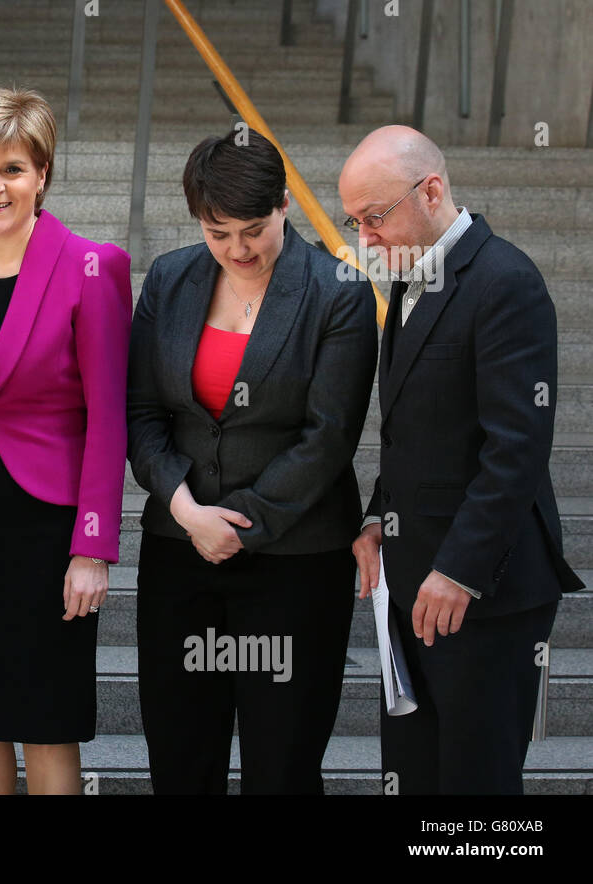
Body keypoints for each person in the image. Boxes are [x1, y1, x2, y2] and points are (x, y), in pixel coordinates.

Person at [127, 128, 376, 794]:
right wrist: (186, 510)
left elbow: (328, 437)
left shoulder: (338, 290)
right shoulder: (172, 278)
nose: (237, 249)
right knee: (181, 758)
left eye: (252, 229)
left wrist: (234, 526)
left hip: (295, 560)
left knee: (283, 762)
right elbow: (144, 414)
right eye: (218, 232)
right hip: (179, 552)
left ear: (285, 204)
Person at [340, 125, 584, 795]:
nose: (365, 239)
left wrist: (460, 569)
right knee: (419, 777)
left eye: (374, 217)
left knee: (478, 792)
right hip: (415, 588)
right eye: (354, 222)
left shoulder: (505, 280)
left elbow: (517, 449)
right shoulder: (410, 282)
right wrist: (375, 515)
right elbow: (419, 434)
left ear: (433, 191)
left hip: (486, 595)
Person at [0, 88, 132, 795]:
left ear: (43, 173)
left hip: (48, 529)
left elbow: (108, 417)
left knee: (46, 717)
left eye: (12, 168)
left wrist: (93, 546)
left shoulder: (92, 266)